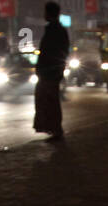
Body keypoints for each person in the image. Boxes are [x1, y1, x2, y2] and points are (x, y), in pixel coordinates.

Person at [33, 2, 69, 140]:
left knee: (50, 101)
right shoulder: (56, 29)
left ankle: (55, 129)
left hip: (50, 73)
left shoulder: (55, 30)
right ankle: (53, 129)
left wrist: (47, 70)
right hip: (51, 72)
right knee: (50, 101)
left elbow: (51, 53)